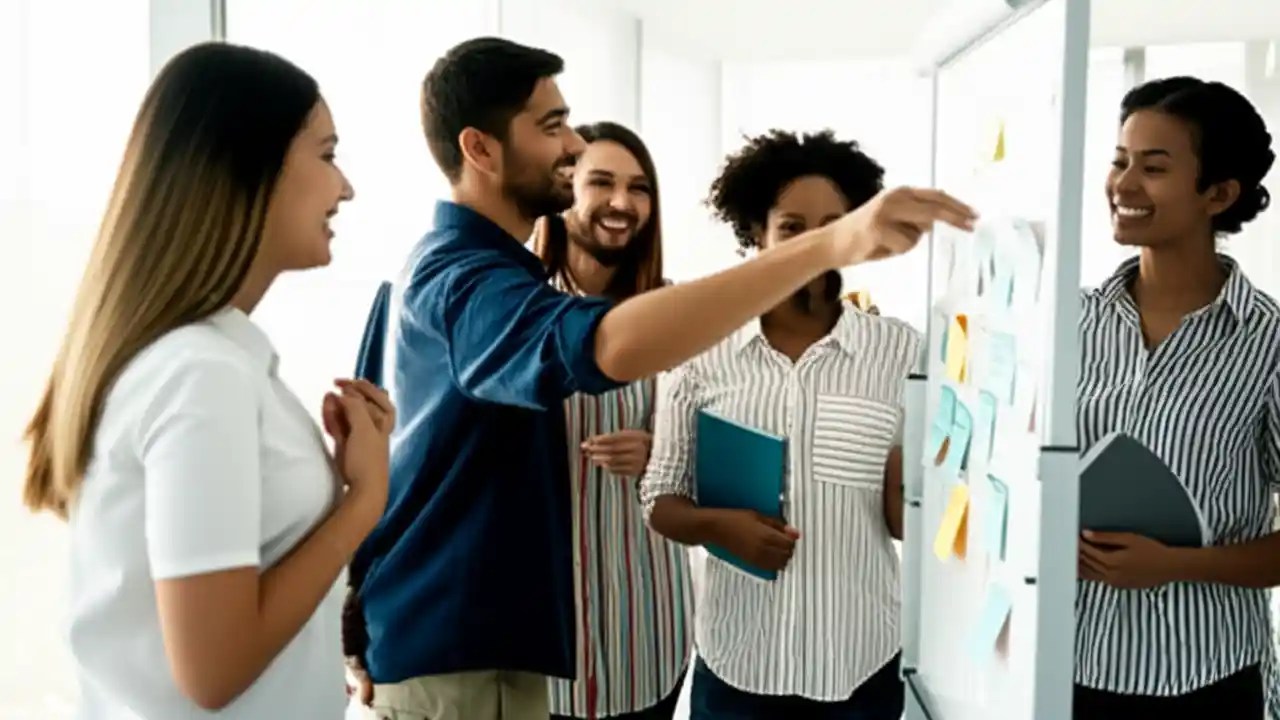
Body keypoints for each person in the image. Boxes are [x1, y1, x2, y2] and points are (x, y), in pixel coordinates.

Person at [343, 36, 974, 720]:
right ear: (481, 149)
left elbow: (381, 456)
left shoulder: (466, 278)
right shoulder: (463, 283)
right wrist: (833, 242)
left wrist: (357, 614)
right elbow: (605, 345)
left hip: (557, 646)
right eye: (552, 126)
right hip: (465, 656)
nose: (574, 143)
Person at [20, 42, 394, 719]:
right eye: (328, 153)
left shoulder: (206, 363)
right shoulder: (201, 373)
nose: (346, 187)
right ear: (245, 165)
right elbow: (214, 668)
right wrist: (362, 503)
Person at [639, 129, 917, 720]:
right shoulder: (701, 349)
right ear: (756, 235)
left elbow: (911, 517)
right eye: (792, 227)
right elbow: (658, 497)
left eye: (833, 225)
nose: (814, 244)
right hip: (739, 667)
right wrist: (718, 526)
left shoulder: (901, 355)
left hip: (860, 668)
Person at [1075, 76, 1280, 719]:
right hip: (1065, 665)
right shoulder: (1064, 324)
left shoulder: (1268, 343)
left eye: (1154, 168)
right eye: (1120, 161)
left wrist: (1178, 564)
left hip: (1206, 681)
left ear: (1219, 194)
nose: (1124, 185)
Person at [532, 122, 693, 720]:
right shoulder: (515, 311)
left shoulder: (680, 315)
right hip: (538, 640)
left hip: (646, 629)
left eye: (639, 188)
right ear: (564, 190)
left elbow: (729, 449)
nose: (623, 203)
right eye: (601, 182)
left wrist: (664, 450)